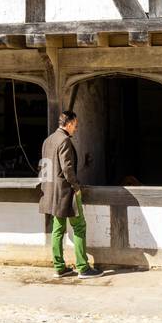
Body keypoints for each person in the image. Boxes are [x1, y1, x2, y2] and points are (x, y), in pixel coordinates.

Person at [38, 110, 101, 278]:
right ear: (69, 123)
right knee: (79, 227)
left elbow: (43, 166)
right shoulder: (64, 141)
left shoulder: (47, 140)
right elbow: (67, 168)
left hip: (51, 192)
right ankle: (83, 267)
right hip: (67, 193)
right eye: (75, 125)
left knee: (58, 229)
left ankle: (59, 267)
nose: (76, 128)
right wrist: (76, 186)